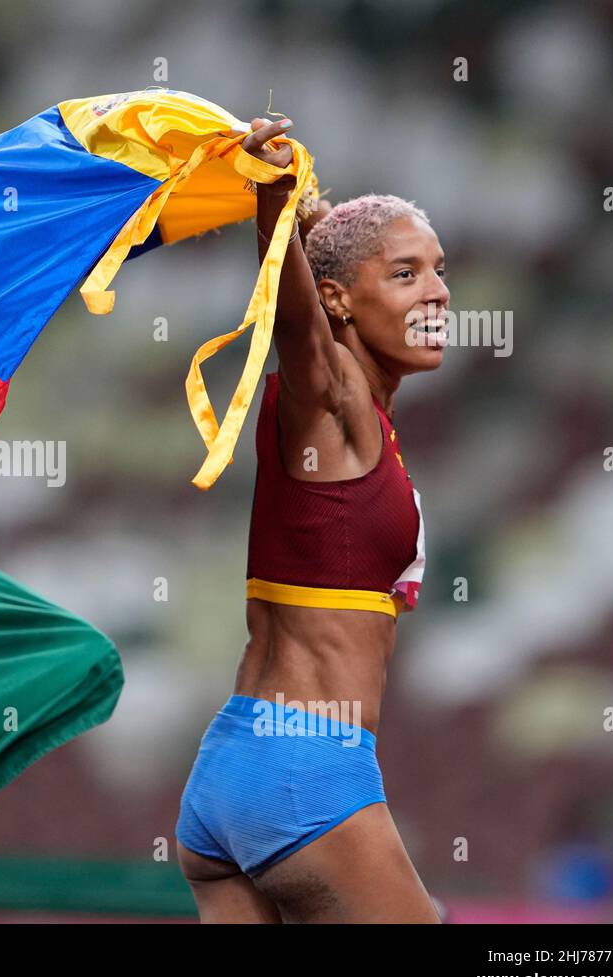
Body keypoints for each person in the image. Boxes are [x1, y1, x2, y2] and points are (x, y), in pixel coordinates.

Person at [175, 116, 449, 923]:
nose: (436, 292)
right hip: (304, 771)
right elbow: (293, 327)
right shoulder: (331, 402)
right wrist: (271, 204)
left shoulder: (366, 426)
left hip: (232, 770)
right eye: (405, 274)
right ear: (337, 296)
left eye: (439, 272)